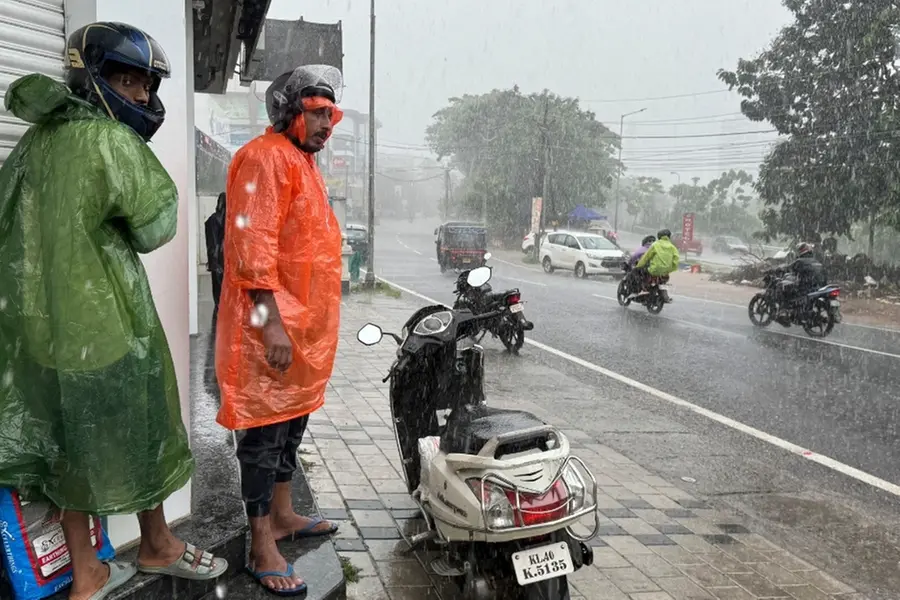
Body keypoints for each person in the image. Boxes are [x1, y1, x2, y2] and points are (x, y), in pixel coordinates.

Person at [0, 22, 227, 600]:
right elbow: (155, 226)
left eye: (147, 87)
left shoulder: (33, 142)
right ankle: (156, 542)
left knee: (65, 448)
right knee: (145, 427)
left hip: (39, 333)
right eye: (130, 82)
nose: (143, 99)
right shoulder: (107, 140)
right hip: (103, 326)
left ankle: (87, 574)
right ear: (92, 76)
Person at [215, 65, 344, 596]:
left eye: (329, 115)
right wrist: (269, 327)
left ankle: (286, 513)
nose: (326, 125)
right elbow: (252, 250)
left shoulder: (302, 163)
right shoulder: (265, 158)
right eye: (316, 113)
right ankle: (261, 540)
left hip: (304, 327)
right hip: (270, 326)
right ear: (289, 111)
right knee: (263, 438)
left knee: (292, 425)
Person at [777, 242, 826, 317]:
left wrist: (779, 269)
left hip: (804, 287)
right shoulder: (816, 262)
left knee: (782, 286)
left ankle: (784, 309)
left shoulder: (800, 261)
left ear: (801, 251)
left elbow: (788, 268)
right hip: (817, 287)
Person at [635, 229, 681, 302]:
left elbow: (646, 257)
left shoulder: (655, 245)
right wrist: (670, 269)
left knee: (642, 275)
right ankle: (663, 294)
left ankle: (643, 290)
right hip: (665, 272)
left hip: (654, 270)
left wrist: (638, 266)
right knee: (663, 281)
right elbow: (676, 260)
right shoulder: (673, 247)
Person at [205, 192, 227, 319]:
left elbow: (211, 242)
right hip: (223, 257)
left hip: (217, 257)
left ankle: (219, 308)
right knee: (222, 284)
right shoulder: (226, 220)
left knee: (217, 285)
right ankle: (222, 308)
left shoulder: (213, 219)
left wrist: (212, 260)